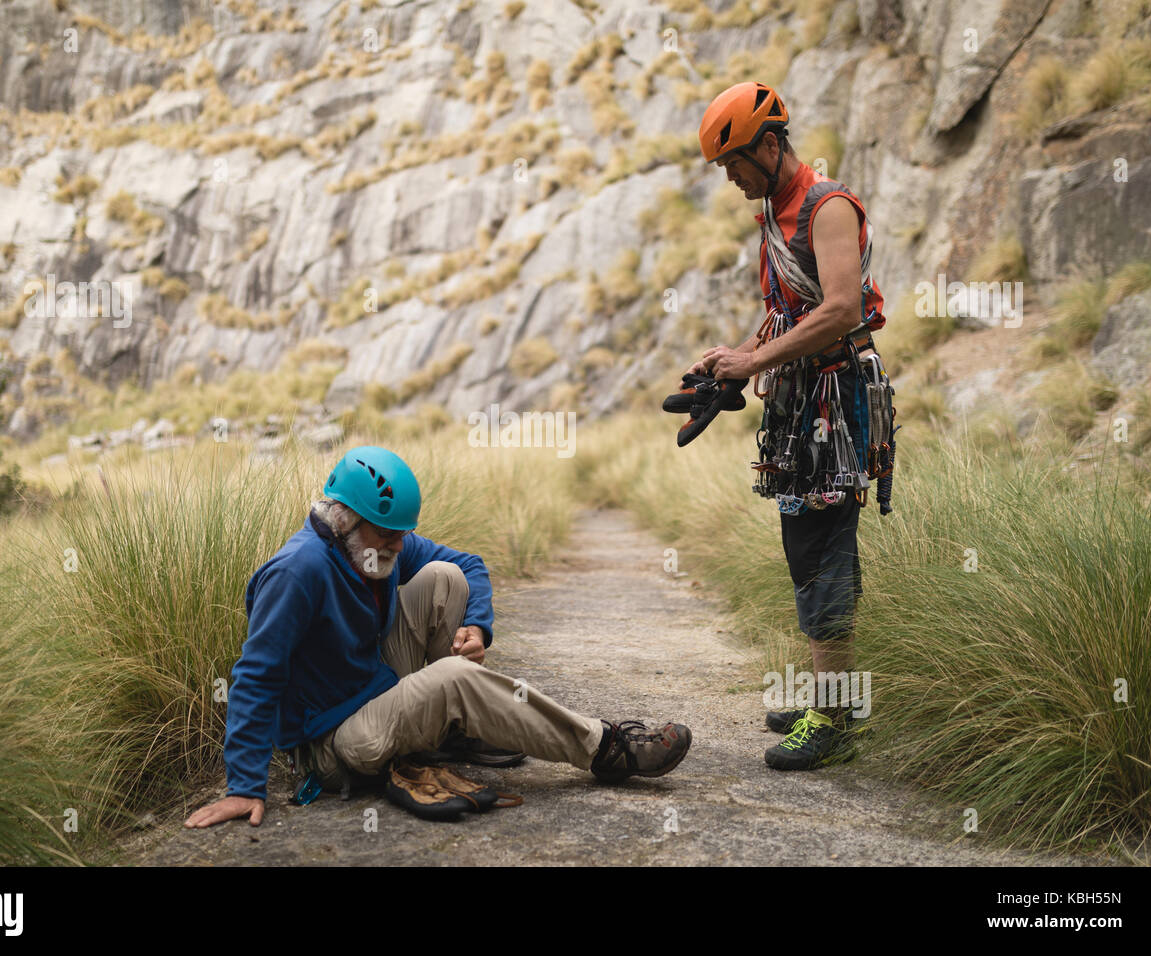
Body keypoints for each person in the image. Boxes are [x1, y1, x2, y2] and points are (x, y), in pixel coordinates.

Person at [184, 446, 692, 827]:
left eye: (402, 535)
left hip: (370, 689)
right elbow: (256, 675)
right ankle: (605, 748)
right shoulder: (299, 572)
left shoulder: (376, 543)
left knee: (446, 576)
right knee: (452, 678)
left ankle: (454, 734)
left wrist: (478, 624)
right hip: (333, 744)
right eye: (388, 537)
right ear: (346, 520)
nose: (398, 547)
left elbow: (470, 565)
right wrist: (245, 786)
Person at [690, 81, 891, 771]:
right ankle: (830, 694)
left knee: (823, 550)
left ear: (771, 145)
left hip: (833, 403)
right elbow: (786, 315)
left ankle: (832, 718)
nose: (731, 176)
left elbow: (838, 311)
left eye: (735, 161)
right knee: (808, 547)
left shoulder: (825, 208)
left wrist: (755, 360)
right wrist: (733, 360)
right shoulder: (776, 217)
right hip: (803, 405)